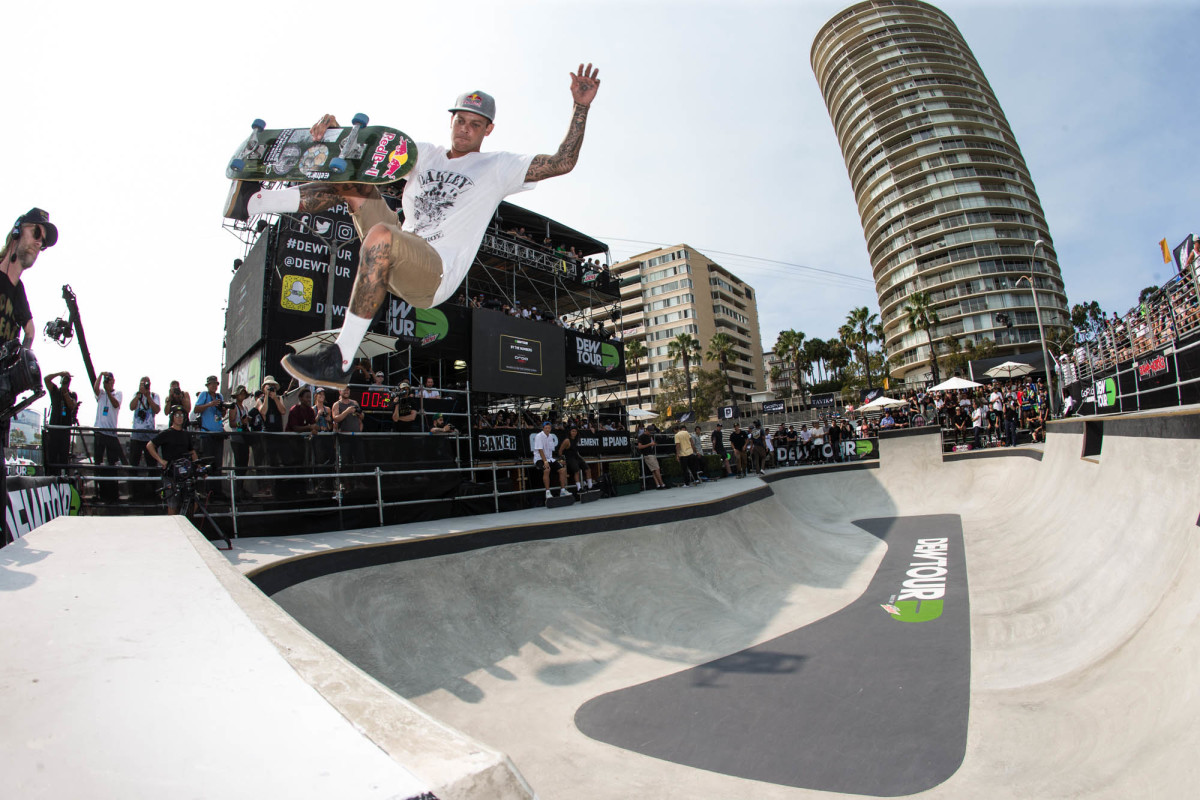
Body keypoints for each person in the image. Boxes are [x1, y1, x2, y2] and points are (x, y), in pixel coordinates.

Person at [262, 65, 602, 388]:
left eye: (475, 124)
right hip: (401, 247)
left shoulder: (498, 167)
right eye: (460, 121)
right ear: (450, 120)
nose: (465, 129)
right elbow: (368, 155)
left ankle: (341, 359)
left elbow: (562, 162)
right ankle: (259, 202)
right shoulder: (423, 153)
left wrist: (580, 107)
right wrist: (337, 134)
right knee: (353, 181)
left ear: (488, 130)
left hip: (434, 272)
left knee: (382, 236)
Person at [146, 408, 200, 516]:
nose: (180, 418)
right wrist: (160, 460)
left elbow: (192, 452)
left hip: (185, 474)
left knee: (194, 502)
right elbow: (150, 445)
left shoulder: (186, 434)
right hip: (171, 474)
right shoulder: (166, 433)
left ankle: (185, 520)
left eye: (181, 415)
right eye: (177, 415)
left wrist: (198, 466)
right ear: (172, 417)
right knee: (172, 505)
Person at [92, 371, 126, 501]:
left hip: (111, 433)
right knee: (98, 462)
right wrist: (101, 375)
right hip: (100, 432)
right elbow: (95, 389)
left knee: (113, 463)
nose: (108, 382)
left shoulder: (118, 393)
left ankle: (113, 494)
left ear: (113, 381)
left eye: (110, 380)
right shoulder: (101, 393)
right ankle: (99, 492)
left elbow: (116, 404)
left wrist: (108, 390)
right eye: (107, 380)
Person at [127, 376, 161, 499]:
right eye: (142, 384)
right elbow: (131, 407)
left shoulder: (154, 396)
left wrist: (147, 396)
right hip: (136, 435)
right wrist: (139, 395)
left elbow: (157, 410)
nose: (145, 386)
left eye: (146, 384)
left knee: (152, 465)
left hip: (149, 436)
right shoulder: (136, 395)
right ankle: (133, 493)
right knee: (133, 465)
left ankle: (153, 493)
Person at [194, 375, 227, 485]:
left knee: (218, 463)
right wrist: (210, 404)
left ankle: (217, 489)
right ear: (208, 385)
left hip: (218, 434)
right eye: (211, 384)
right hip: (207, 434)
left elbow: (222, 414)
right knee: (208, 463)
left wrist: (224, 409)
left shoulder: (219, 396)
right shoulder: (204, 395)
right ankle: (208, 489)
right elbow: (196, 409)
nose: (214, 386)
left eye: (215, 384)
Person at [43, 371, 77, 475]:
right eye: (64, 380)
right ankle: (51, 476)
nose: (66, 382)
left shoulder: (72, 394)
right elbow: (46, 379)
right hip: (54, 429)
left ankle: (63, 477)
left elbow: (72, 406)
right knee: (52, 456)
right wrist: (59, 373)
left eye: (68, 380)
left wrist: (65, 393)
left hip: (65, 431)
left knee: (63, 457)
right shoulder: (55, 391)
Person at [532, 420, 572, 501]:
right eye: (546, 428)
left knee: (562, 470)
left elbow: (550, 451)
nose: (547, 429)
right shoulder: (539, 436)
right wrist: (545, 462)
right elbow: (540, 450)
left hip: (550, 458)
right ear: (543, 428)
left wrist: (557, 461)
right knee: (547, 469)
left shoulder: (550, 436)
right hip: (539, 458)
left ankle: (563, 490)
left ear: (550, 429)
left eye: (549, 428)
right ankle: (547, 492)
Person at [559, 424, 593, 492]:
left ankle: (590, 487)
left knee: (588, 469)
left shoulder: (577, 439)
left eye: (575, 431)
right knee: (576, 471)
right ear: (570, 432)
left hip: (576, 456)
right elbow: (560, 451)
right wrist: (561, 459)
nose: (574, 433)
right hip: (569, 458)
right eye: (572, 431)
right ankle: (579, 488)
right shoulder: (567, 440)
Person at [635, 424, 667, 489]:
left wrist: (652, 444)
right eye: (650, 432)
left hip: (651, 454)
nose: (651, 433)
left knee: (654, 470)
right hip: (648, 455)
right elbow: (639, 447)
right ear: (647, 430)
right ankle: (662, 484)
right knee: (656, 469)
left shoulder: (649, 436)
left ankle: (658, 485)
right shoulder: (642, 437)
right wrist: (649, 444)